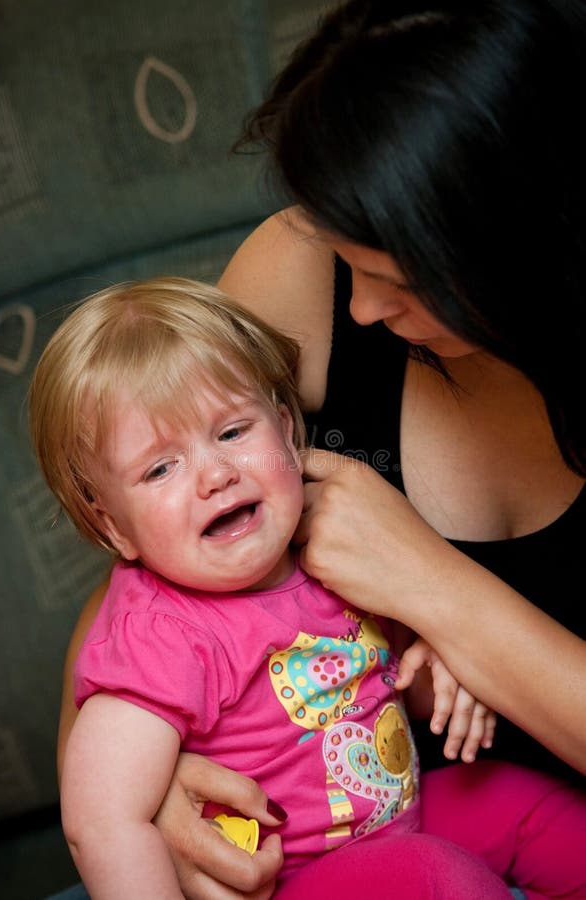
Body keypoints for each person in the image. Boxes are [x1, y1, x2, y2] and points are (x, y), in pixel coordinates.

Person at [50, 1, 586, 897]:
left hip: (451, 808)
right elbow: (137, 589)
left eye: (399, 275)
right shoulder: (305, 270)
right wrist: (154, 791)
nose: (365, 308)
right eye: (352, 261)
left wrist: (433, 589)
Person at [31, 278, 586, 900]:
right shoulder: (163, 632)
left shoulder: (336, 550)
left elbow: (393, 681)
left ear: (289, 429)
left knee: (537, 810)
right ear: (112, 525)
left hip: (399, 816)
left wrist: (445, 664)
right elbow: (101, 820)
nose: (216, 474)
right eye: (161, 468)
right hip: (290, 878)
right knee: (439, 880)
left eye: (234, 432)